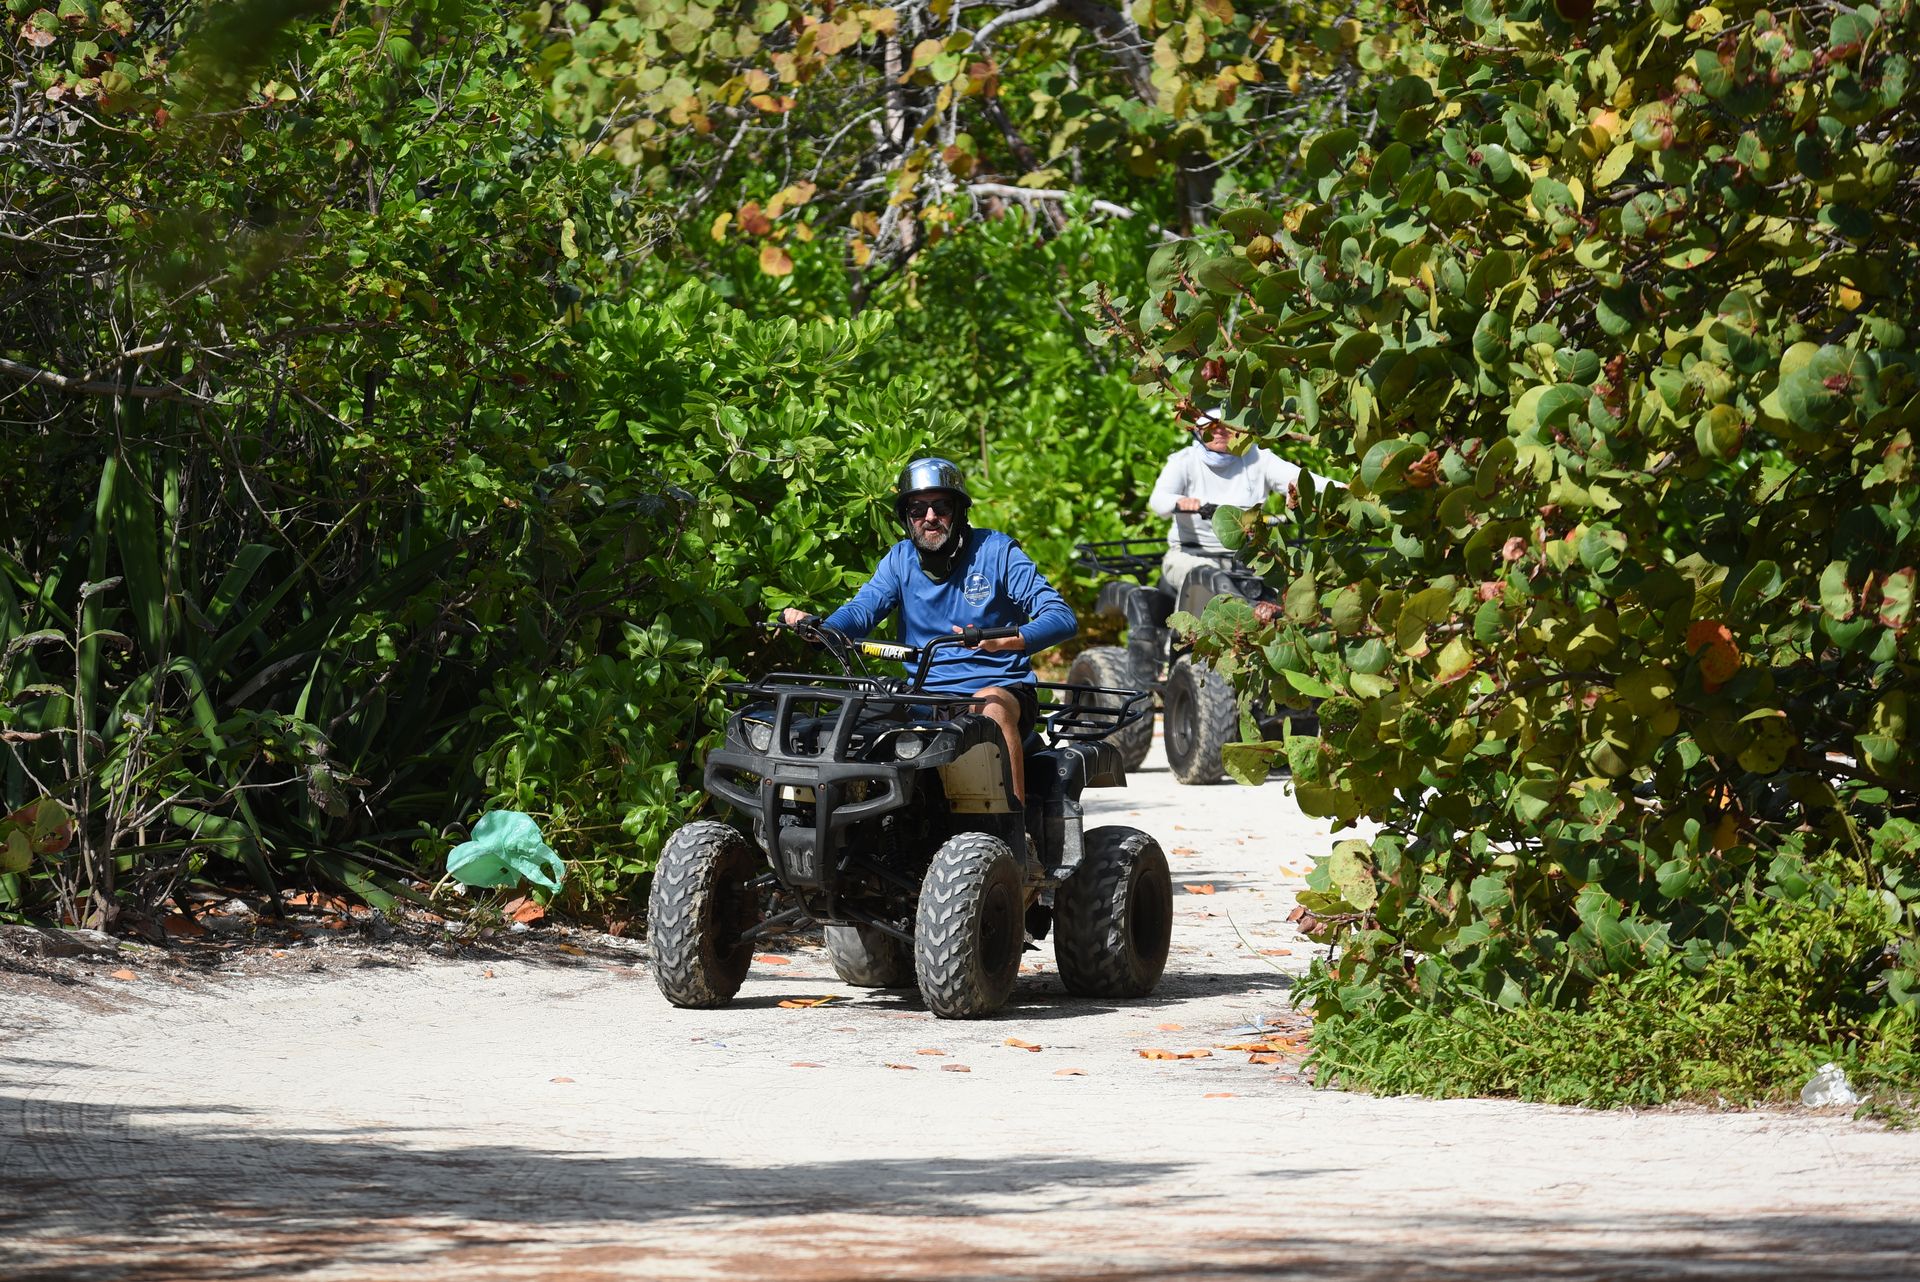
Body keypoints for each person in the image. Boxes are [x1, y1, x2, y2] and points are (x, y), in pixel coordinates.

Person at [781, 457, 1076, 809]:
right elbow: (862, 610)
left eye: (941, 507)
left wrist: (1012, 639)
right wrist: (822, 630)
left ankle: (1014, 830)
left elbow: (1061, 616)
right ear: (906, 517)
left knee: (990, 706)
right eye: (918, 509)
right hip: (923, 697)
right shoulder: (899, 559)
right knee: (842, 722)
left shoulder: (997, 551)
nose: (930, 517)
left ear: (959, 511)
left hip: (1001, 688)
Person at [1147, 410, 1336, 601]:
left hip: (1248, 557)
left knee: (1291, 589)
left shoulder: (1258, 457)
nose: (1220, 431)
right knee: (1209, 581)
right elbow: (1158, 500)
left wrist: (1340, 490)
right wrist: (1179, 502)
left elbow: (1302, 479)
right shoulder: (1184, 461)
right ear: (1197, 431)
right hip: (1190, 554)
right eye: (1212, 426)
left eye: (1227, 425)